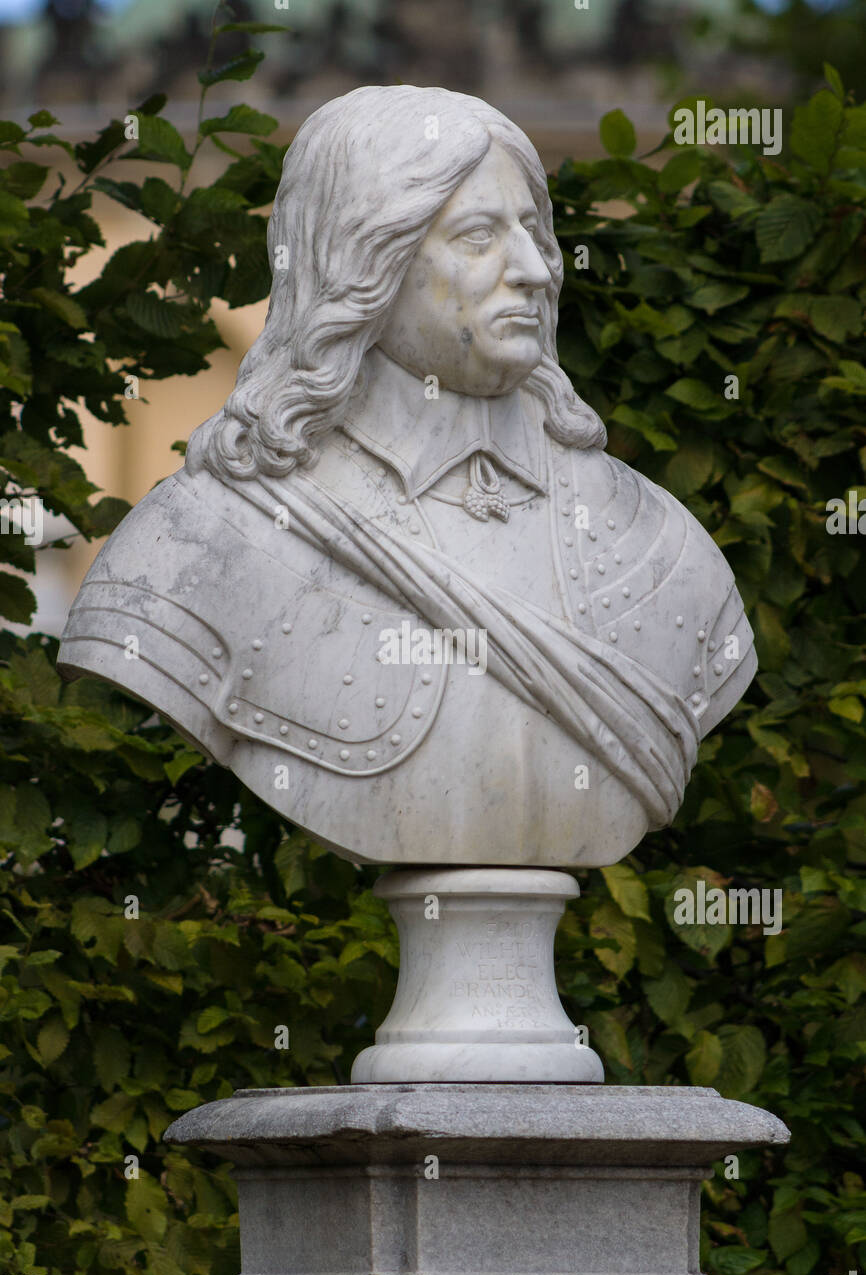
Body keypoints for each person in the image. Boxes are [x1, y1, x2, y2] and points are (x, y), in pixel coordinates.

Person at [58, 85, 756, 867]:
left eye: (533, 231)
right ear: (361, 265)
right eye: (478, 235)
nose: (532, 269)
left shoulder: (661, 545)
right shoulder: (197, 546)